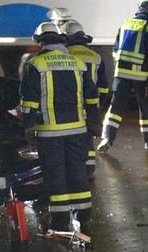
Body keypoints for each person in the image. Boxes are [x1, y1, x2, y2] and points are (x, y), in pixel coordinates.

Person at [20, 19, 95, 234]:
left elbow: (29, 103)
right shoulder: (77, 64)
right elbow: (92, 97)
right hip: (78, 131)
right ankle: (84, 219)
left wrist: (28, 127)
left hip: (49, 134)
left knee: (56, 177)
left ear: (41, 42)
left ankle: (60, 223)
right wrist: (93, 123)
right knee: (78, 174)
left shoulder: (35, 65)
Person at [100, 0, 148, 152]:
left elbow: (115, 49)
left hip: (121, 74)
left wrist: (120, 67)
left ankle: (107, 137)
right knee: (146, 107)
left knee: (115, 107)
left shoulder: (126, 23)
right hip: (141, 76)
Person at [57, 15, 107, 171]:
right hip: (91, 103)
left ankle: (73, 169)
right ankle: (89, 169)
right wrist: (98, 106)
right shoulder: (96, 57)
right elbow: (103, 87)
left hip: (71, 103)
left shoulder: (65, 56)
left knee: (71, 137)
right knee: (88, 136)